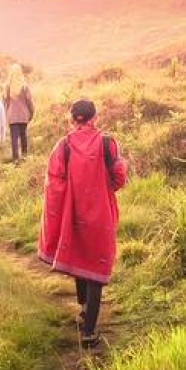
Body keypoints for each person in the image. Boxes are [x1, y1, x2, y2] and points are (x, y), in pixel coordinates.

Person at [38, 98, 128, 349]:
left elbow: (54, 183)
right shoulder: (107, 142)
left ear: (72, 119)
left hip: (73, 213)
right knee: (96, 269)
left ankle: (83, 312)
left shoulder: (63, 145)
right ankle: (89, 331)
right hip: (101, 214)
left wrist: (59, 214)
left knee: (79, 258)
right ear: (94, 118)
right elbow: (119, 174)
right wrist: (107, 189)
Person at [3, 63, 35, 162]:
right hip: (23, 114)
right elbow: (29, 101)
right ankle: (25, 156)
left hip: (12, 115)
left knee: (14, 138)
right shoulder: (25, 86)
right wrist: (31, 112)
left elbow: (5, 102)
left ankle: (15, 158)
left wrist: (5, 114)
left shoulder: (7, 87)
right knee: (23, 136)